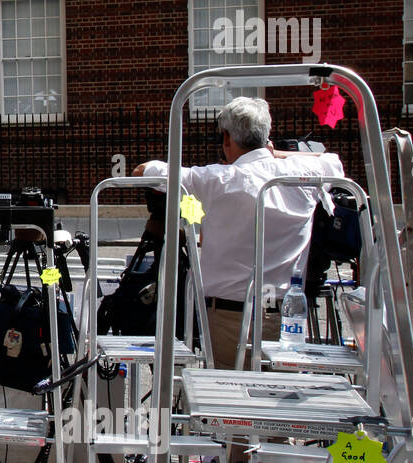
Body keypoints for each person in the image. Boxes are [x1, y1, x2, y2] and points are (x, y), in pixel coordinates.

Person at [132, 96, 344, 370]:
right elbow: (333, 162)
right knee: (277, 396)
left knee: (231, 398)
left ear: (227, 138)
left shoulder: (217, 179)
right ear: (266, 135)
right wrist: (277, 154)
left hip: (229, 314)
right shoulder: (302, 173)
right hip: (285, 315)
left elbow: (144, 171)